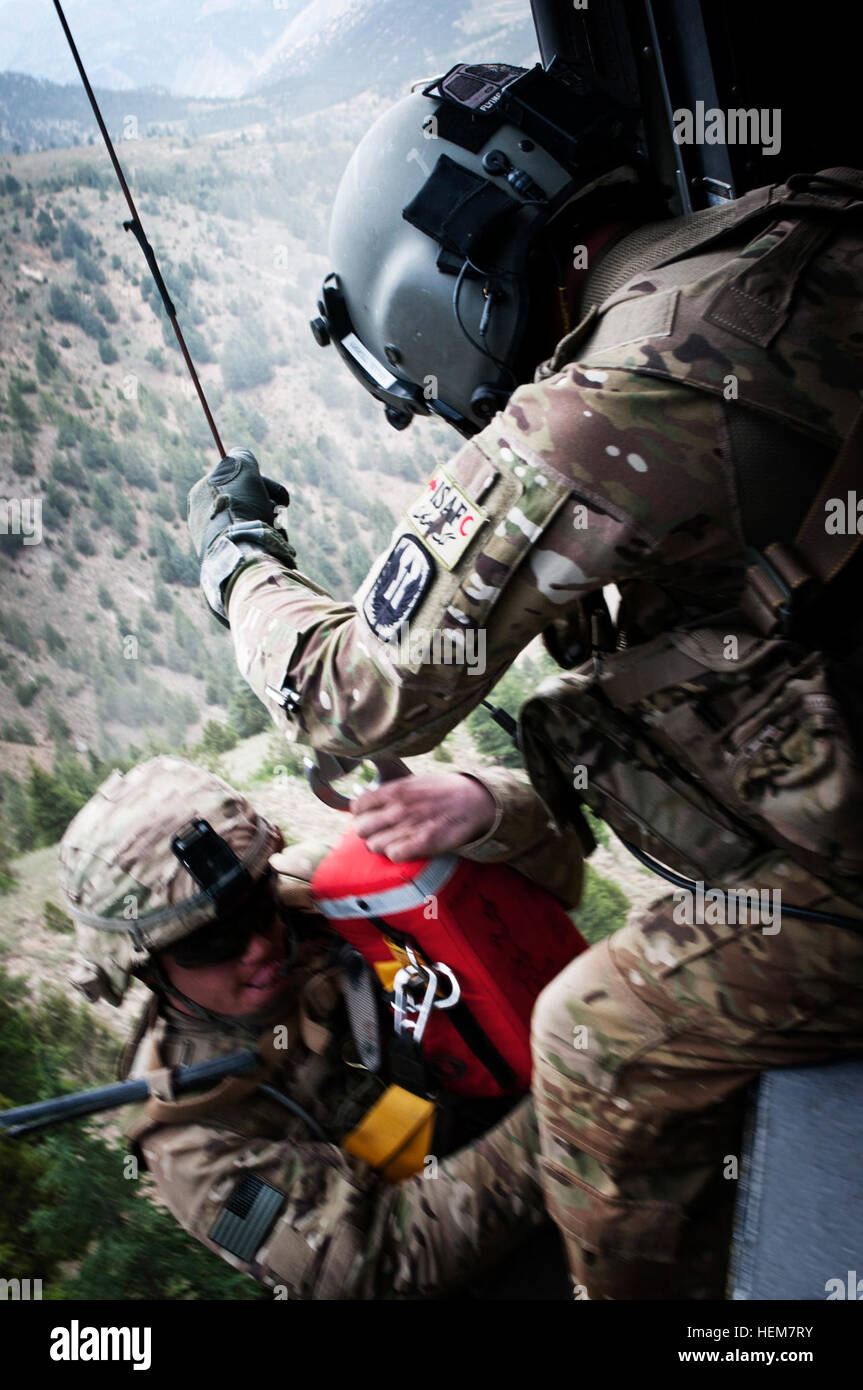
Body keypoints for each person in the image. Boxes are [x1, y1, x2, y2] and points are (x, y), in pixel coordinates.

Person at [180, 61, 863, 1299]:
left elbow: (356, 694)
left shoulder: (602, 402)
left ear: (441, 288)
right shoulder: (805, 218)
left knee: (590, 1039)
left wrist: (237, 568)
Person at [59, 753, 583, 1300]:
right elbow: (372, 1263)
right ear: (144, 968)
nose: (259, 945)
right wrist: (571, 1106)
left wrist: (488, 805)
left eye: (256, 905)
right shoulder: (191, 1145)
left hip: (560, 1146)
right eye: (210, 942)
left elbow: (558, 866)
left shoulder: (312, 897)